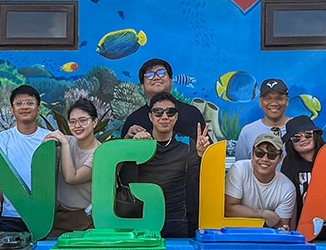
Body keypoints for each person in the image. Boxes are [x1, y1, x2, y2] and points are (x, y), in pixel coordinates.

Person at [121, 92, 208, 238]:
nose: (164, 117)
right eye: (158, 112)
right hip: (144, 219)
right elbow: (126, 180)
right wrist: (132, 148)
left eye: (170, 112)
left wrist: (200, 155)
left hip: (178, 219)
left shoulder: (187, 144)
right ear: (150, 117)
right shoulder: (139, 142)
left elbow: (195, 179)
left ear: (176, 117)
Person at [280, 115, 326, 241]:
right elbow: (291, 201)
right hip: (306, 231)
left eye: (307, 134)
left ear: (316, 135)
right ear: (291, 143)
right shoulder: (289, 164)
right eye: (296, 138)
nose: (303, 139)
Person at [0, 85, 51, 232]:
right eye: (19, 103)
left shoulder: (49, 137)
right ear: (12, 110)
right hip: (11, 215)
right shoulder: (4, 138)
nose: (24, 107)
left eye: (30, 103)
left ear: (38, 109)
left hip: (43, 214)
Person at [120, 58, 208, 143]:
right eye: (150, 75)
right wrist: (127, 139)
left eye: (161, 73)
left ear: (171, 81)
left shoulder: (191, 113)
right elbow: (124, 154)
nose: (156, 77)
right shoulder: (134, 120)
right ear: (142, 86)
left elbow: (206, 149)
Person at [47, 99, 100, 236]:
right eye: (72, 121)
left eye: (83, 120)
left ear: (94, 122)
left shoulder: (100, 153)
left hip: (85, 218)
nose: (77, 126)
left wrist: (64, 144)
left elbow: (72, 177)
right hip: (59, 215)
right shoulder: (66, 140)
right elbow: (44, 161)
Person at [224, 133, 297, 229]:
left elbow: (280, 226)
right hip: (235, 233)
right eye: (259, 153)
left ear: (280, 158)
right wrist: (263, 214)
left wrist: (280, 227)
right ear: (252, 154)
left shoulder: (287, 188)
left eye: (271, 155)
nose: (265, 159)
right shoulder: (239, 169)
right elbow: (229, 209)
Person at [234, 78, 290, 163]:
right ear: (260, 102)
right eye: (268, 98)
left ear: (286, 101)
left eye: (279, 98)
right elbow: (242, 167)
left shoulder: (299, 130)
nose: (274, 103)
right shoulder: (248, 132)